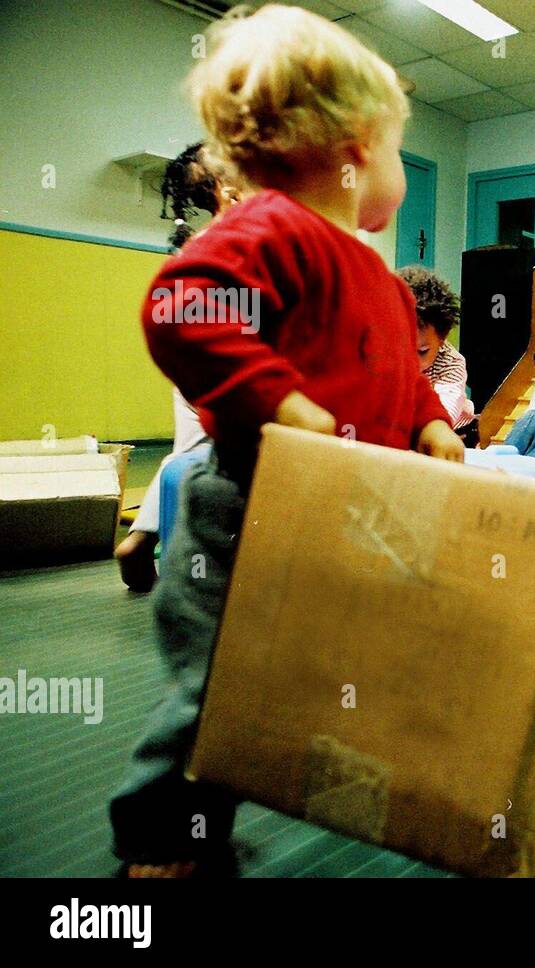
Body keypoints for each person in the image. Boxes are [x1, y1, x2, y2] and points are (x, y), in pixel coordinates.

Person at [108, 4, 463, 878]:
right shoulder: (270, 232)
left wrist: (425, 417)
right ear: (352, 150)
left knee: (306, 673)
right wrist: (276, 398)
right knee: (221, 683)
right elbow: (182, 308)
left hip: (343, 513)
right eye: (395, 151)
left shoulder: (379, 279)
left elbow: (398, 373)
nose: (398, 174)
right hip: (246, 505)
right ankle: (161, 839)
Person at [115, 144, 244, 592]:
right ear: (230, 192)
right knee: (207, 458)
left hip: (196, 369)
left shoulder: (199, 245)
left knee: (188, 454)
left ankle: (142, 536)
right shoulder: (241, 241)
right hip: (234, 367)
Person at [396, 265, 476, 443]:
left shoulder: (451, 364)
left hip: (455, 431)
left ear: (442, 339)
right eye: (402, 347)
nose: (412, 362)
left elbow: (444, 412)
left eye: (422, 351)